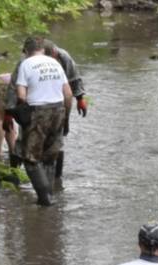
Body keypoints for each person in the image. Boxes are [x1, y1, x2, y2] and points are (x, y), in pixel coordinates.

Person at [14, 36, 72, 206]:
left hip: (38, 111)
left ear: (26, 51)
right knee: (49, 157)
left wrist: (21, 115)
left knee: (30, 158)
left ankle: (44, 197)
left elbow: (21, 95)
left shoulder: (25, 64)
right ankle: (49, 195)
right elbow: (68, 94)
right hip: (59, 109)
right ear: (42, 49)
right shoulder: (55, 63)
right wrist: (66, 118)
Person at [43, 40, 88, 188]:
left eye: (53, 58)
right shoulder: (32, 59)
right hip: (39, 97)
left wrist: (80, 98)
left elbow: (74, 78)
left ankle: (57, 179)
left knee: (59, 135)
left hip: (61, 96)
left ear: (55, 53)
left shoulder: (64, 57)